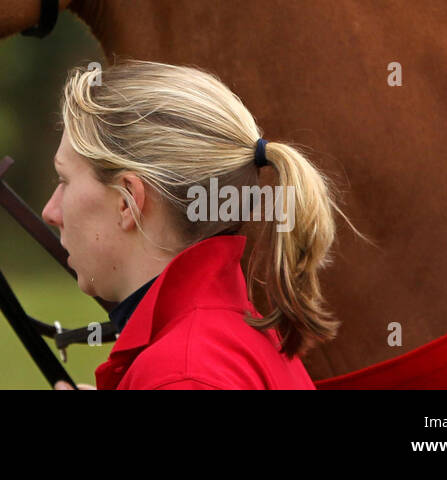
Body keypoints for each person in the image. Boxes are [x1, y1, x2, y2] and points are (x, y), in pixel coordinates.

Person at [41, 60, 349, 389]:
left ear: (127, 200)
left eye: (65, 180)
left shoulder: (184, 373)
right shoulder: (230, 341)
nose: (51, 212)